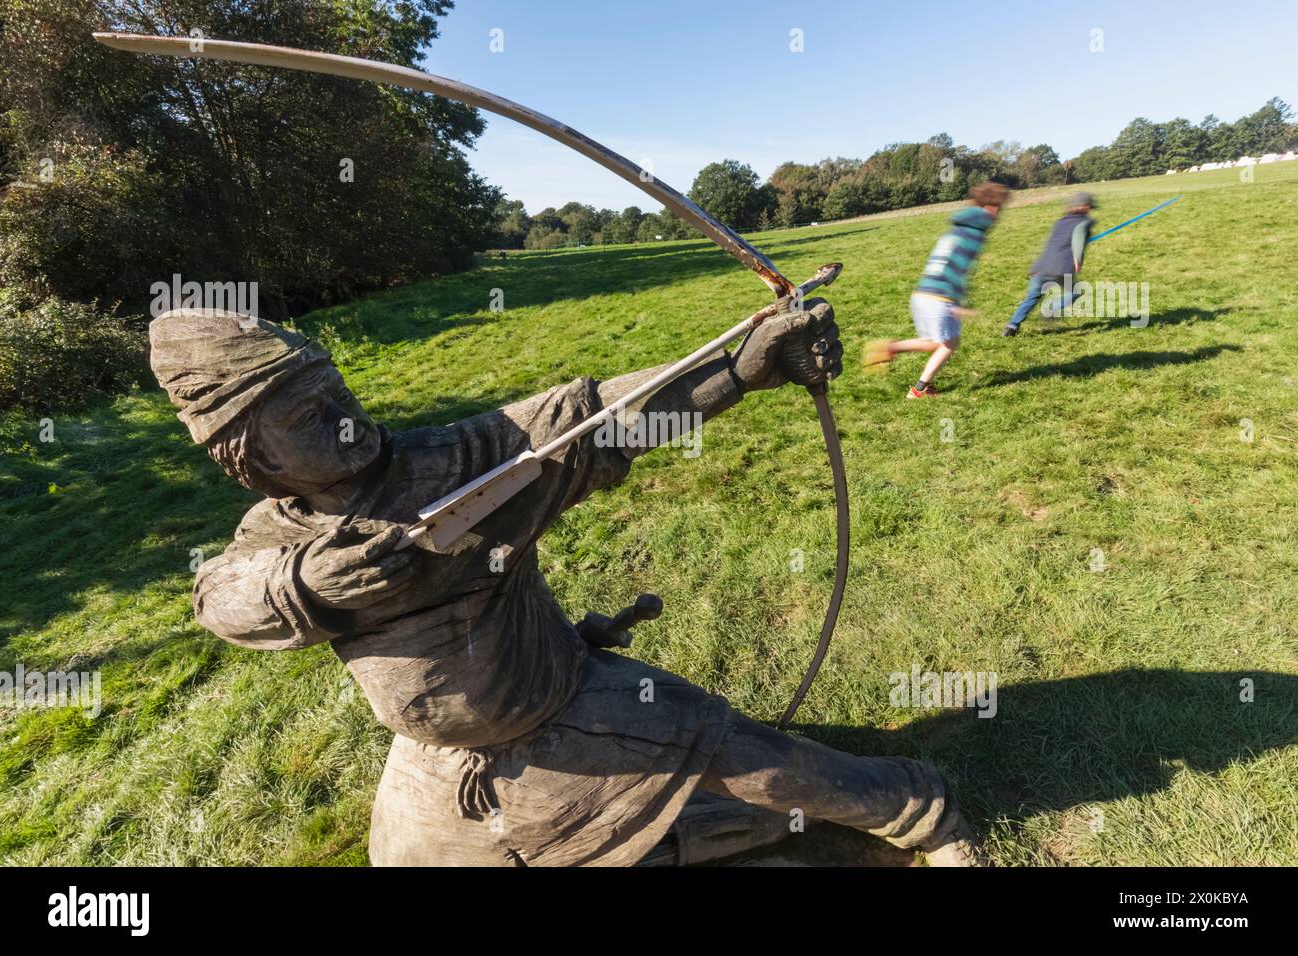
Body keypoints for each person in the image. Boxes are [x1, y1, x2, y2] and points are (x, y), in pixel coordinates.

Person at [150, 305, 988, 867]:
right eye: (305, 417)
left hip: (569, 702)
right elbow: (222, 599)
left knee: (762, 768)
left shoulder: (459, 461)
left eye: (336, 391)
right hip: (445, 763)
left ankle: (920, 806)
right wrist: (307, 586)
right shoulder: (274, 539)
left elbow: (596, 423)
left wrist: (739, 369)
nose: (344, 417)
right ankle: (682, 828)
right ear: (250, 459)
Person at [864, 182, 1010, 397]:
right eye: (1001, 208)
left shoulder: (957, 228)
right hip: (940, 297)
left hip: (922, 293)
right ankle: (918, 388)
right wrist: (959, 303)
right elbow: (957, 269)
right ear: (992, 208)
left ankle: (891, 351)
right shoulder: (975, 234)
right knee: (946, 345)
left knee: (938, 342)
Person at [1001, 192, 1098, 336]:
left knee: (1032, 297)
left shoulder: (1060, 222)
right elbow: (1077, 238)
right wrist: (1078, 260)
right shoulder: (1083, 222)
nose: (1089, 209)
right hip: (1062, 267)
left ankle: (1012, 326)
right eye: (1089, 207)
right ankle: (1051, 309)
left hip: (1042, 266)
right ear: (1084, 207)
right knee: (1075, 292)